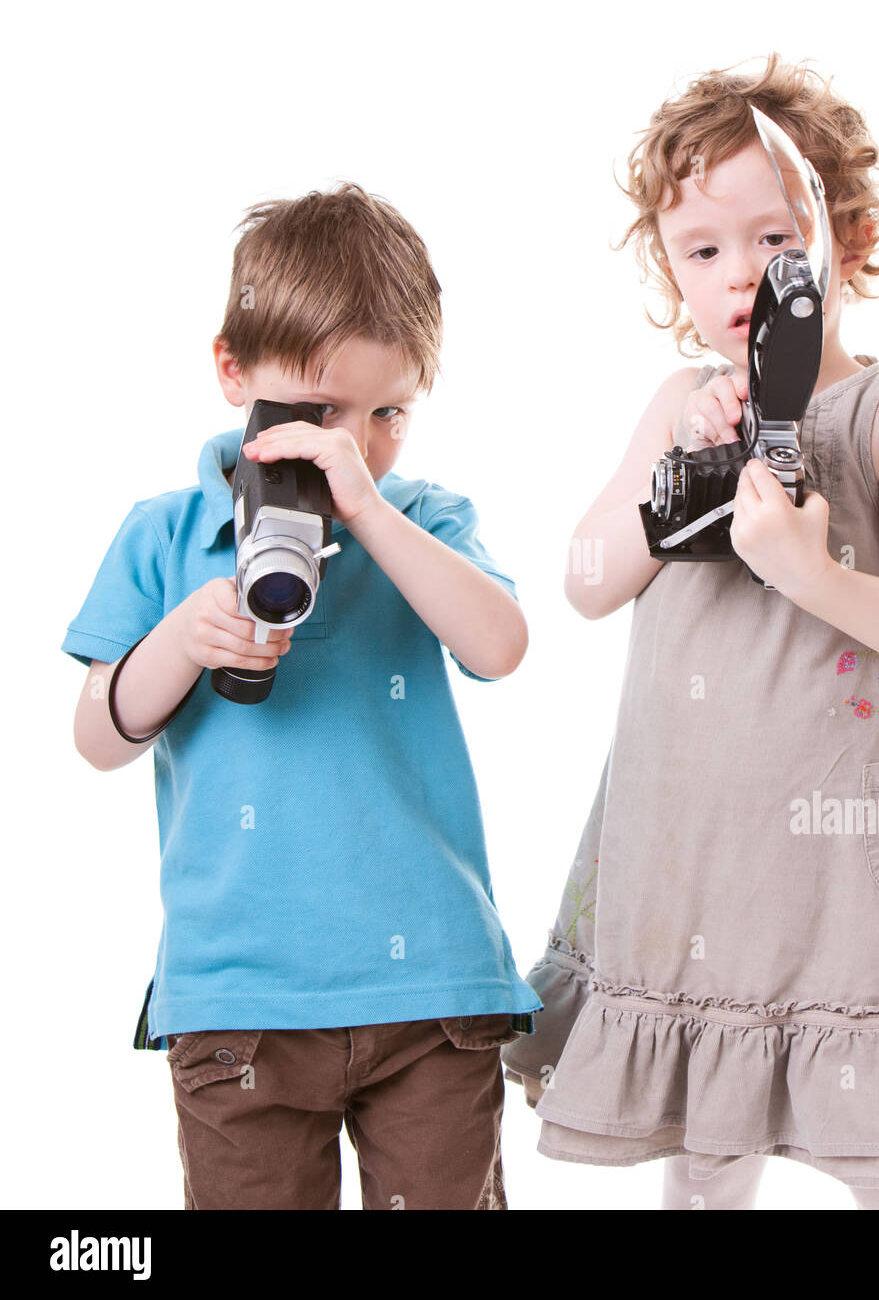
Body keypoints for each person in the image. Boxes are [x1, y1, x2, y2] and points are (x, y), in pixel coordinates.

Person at [501, 56, 879, 1209]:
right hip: (692, 849)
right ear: (668, 266)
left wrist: (806, 565)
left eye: (774, 239)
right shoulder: (675, 402)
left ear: (851, 231)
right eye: (702, 249)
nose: (739, 274)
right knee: (703, 1152)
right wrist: (681, 472)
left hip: (845, 856)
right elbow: (588, 582)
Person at [62, 183, 540, 1210]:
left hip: (432, 994)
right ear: (234, 368)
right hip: (239, 999)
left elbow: (500, 645)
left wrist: (369, 512)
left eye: (389, 413)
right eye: (322, 412)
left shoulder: (423, 521)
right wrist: (183, 641)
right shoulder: (164, 531)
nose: (354, 443)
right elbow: (98, 736)